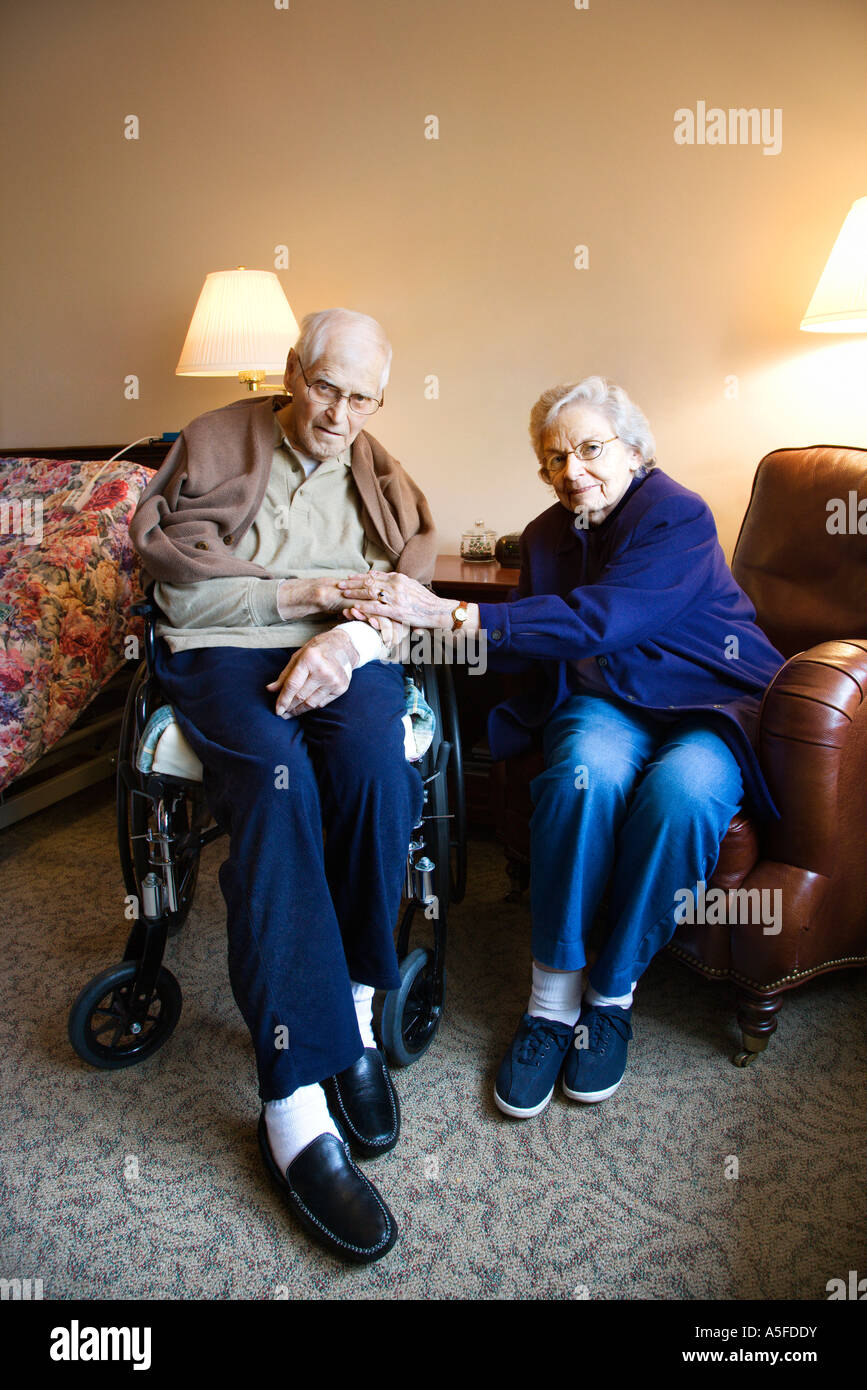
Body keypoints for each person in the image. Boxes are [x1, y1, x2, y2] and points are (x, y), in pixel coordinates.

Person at [338, 374, 785, 1120]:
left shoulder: (676, 515)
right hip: (608, 700)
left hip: (707, 697)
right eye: (553, 458)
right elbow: (523, 642)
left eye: (589, 449)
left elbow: (598, 619)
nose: (570, 470)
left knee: (682, 794)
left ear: (634, 450)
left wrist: (450, 614)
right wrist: (403, 630)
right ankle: (550, 1002)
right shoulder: (547, 534)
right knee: (581, 772)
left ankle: (611, 994)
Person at [130, 307, 446, 1263]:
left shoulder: (379, 471)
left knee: (369, 763)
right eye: (324, 388)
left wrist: (349, 638)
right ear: (289, 375)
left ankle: (350, 1017)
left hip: (341, 647)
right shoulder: (214, 440)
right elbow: (180, 584)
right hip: (223, 647)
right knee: (274, 783)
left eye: (361, 398)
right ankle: (294, 1099)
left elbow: (401, 591)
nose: (340, 414)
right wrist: (308, 594)